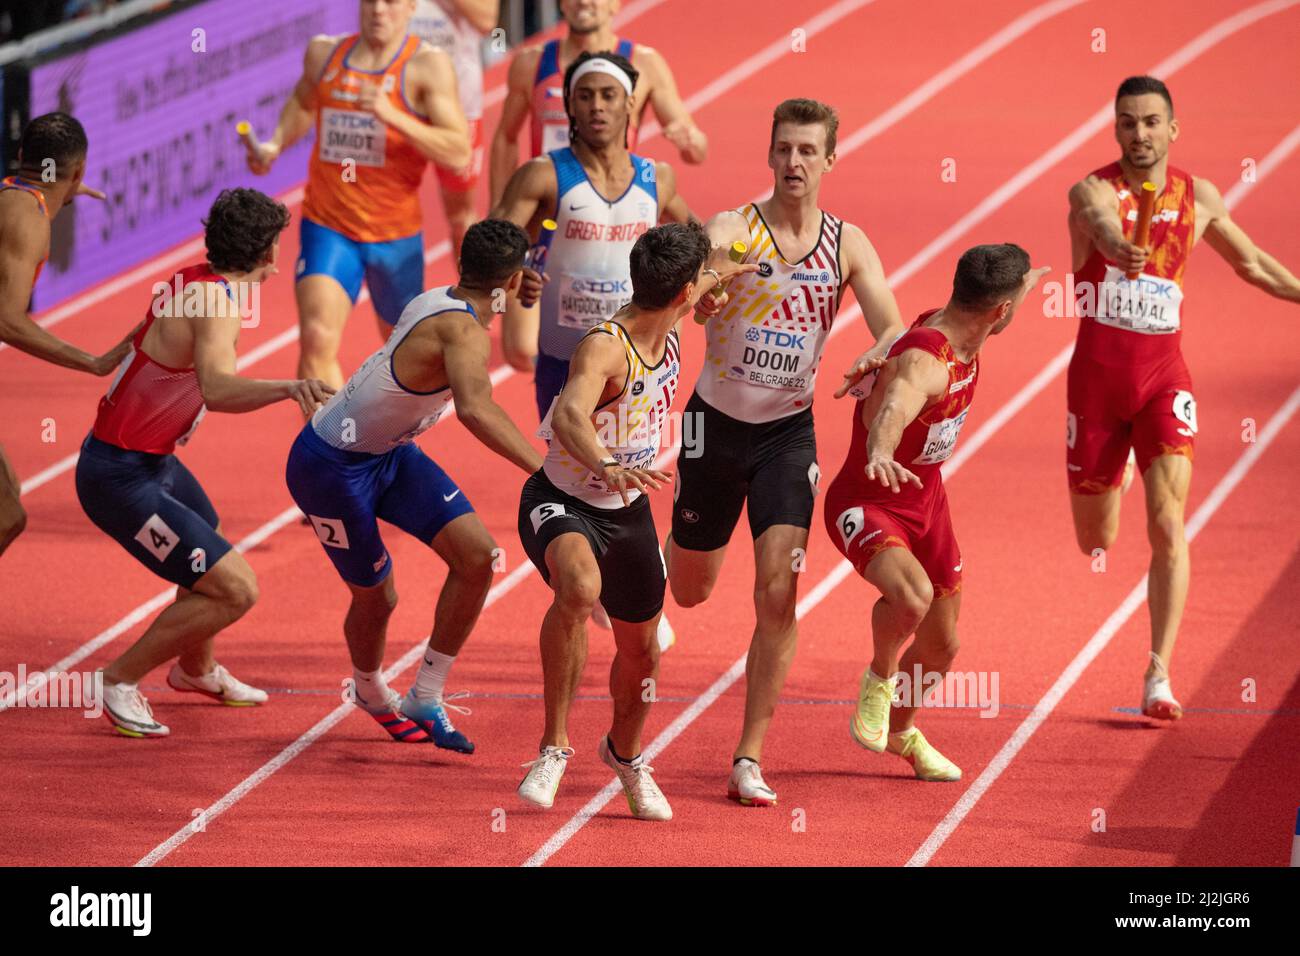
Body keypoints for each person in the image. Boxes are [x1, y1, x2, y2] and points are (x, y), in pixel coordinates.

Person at [665, 99, 906, 807]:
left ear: (830, 159)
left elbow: (894, 326)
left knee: (779, 591)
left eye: (808, 151)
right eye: (784, 150)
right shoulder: (737, 229)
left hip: (787, 436)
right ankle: (669, 549)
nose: (795, 163)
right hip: (713, 427)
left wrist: (874, 355)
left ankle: (747, 757)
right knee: (691, 589)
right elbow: (694, 289)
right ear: (769, 157)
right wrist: (704, 297)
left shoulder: (847, 244)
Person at [1066, 76, 1300, 720]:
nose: (1138, 134)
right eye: (1127, 123)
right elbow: (1101, 225)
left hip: (1164, 378)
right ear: (1115, 130)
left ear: (1173, 129)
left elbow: (1253, 264)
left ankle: (1158, 672)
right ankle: (1103, 490)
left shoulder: (1200, 198)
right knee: (1097, 538)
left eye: (1150, 122)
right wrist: (1119, 248)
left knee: (1168, 519)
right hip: (1096, 385)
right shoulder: (1091, 190)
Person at [514, 221, 753, 818]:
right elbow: (569, 415)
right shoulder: (605, 347)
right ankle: (553, 746)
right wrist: (605, 461)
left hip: (629, 513)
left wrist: (736, 265)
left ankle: (625, 754)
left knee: (644, 652)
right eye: (698, 285)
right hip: (562, 498)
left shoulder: (675, 305)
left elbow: (718, 266)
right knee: (579, 587)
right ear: (681, 293)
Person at [78, 189, 335, 737]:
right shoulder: (216, 303)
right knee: (235, 588)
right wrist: (290, 388)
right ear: (267, 252)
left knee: (208, 533)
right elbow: (217, 389)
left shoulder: (192, 278)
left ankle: (195, 668)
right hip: (118, 476)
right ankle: (119, 678)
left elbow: (146, 335)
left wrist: (121, 370)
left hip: (152, 462)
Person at [285, 220, 543, 750]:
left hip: (389, 455)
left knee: (477, 558)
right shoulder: (463, 332)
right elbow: (476, 410)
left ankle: (426, 695)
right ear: (513, 280)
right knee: (379, 598)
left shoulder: (438, 298)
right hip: (328, 468)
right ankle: (368, 687)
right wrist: (544, 471)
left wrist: (512, 290)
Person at [826, 245, 1047, 781]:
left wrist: (1030, 277)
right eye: (1017, 301)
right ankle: (879, 678)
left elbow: (1021, 282)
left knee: (943, 644)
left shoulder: (971, 321)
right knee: (912, 597)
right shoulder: (928, 360)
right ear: (1001, 312)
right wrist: (881, 451)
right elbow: (897, 404)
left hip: (927, 500)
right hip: (870, 498)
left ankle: (902, 731)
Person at [246, 0, 471, 401]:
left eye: (391, 2)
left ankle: (383, 444)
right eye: (371, 1)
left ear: (411, 7)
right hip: (329, 226)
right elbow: (303, 101)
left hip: (395, 235)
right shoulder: (324, 53)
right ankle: (329, 451)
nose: (379, 11)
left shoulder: (427, 67)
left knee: (405, 355)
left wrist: (392, 114)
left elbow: (458, 152)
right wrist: (275, 143)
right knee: (316, 338)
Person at [489, 0, 706, 371]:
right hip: (547, 214)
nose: (583, 2)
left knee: (626, 339)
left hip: (616, 211)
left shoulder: (645, 63)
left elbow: (696, 150)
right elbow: (506, 137)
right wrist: (502, 209)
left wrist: (687, 140)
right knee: (522, 349)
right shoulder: (532, 63)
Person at [0, 112, 134, 558]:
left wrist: (65, 189)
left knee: (9, 491)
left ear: (21, 157)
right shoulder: (29, 222)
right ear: (79, 170)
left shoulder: (14, 196)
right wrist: (91, 362)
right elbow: (6, 319)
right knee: (8, 517)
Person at [410, 0, 500, 257]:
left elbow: (487, 20)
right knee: (386, 204)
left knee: (460, 215)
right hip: (402, 102)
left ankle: (469, 291)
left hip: (460, 107)